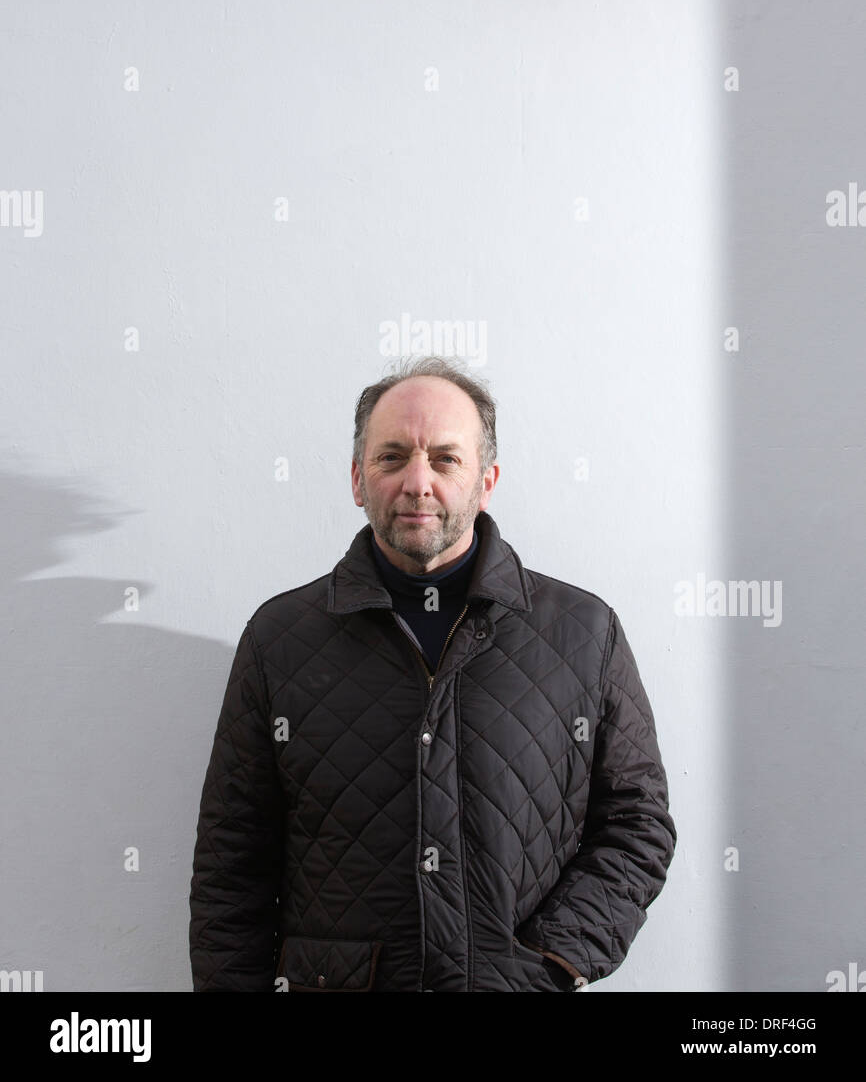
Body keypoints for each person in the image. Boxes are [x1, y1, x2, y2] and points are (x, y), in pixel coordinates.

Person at [189, 356, 676, 992]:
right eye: (392, 457)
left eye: (445, 458)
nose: (418, 481)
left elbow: (638, 823)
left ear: (487, 479)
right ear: (359, 479)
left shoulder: (583, 633)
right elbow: (233, 863)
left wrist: (554, 961)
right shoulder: (280, 639)